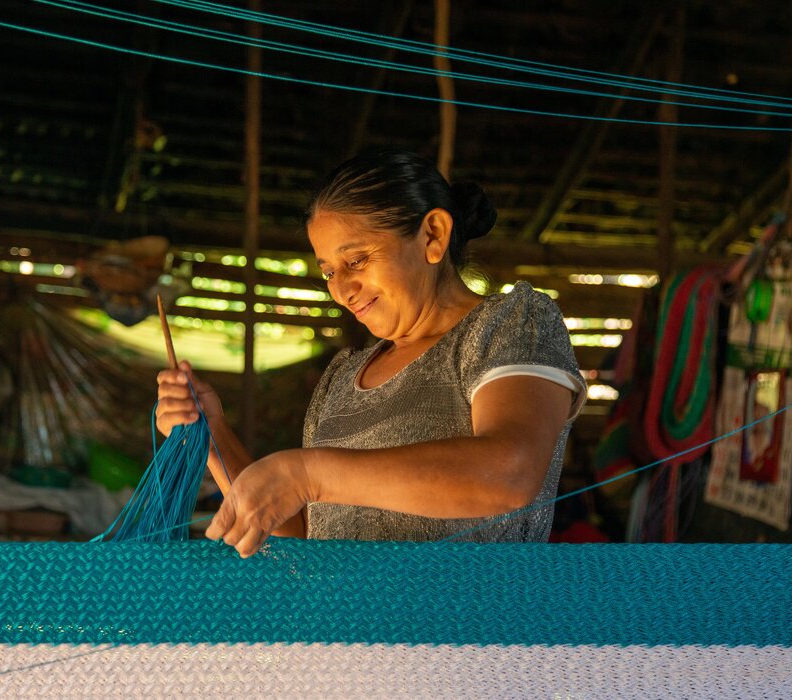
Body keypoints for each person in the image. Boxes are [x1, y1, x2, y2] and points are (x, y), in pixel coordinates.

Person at [156, 149, 586, 557]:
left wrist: (308, 473)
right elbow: (307, 538)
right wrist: (211, 434)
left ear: (433, 235)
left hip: (471, 611)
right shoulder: (343, 377)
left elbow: (509, 474)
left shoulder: (511, 325)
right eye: (329, 272)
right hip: (341, 614)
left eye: (357, 260)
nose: (342, 289)